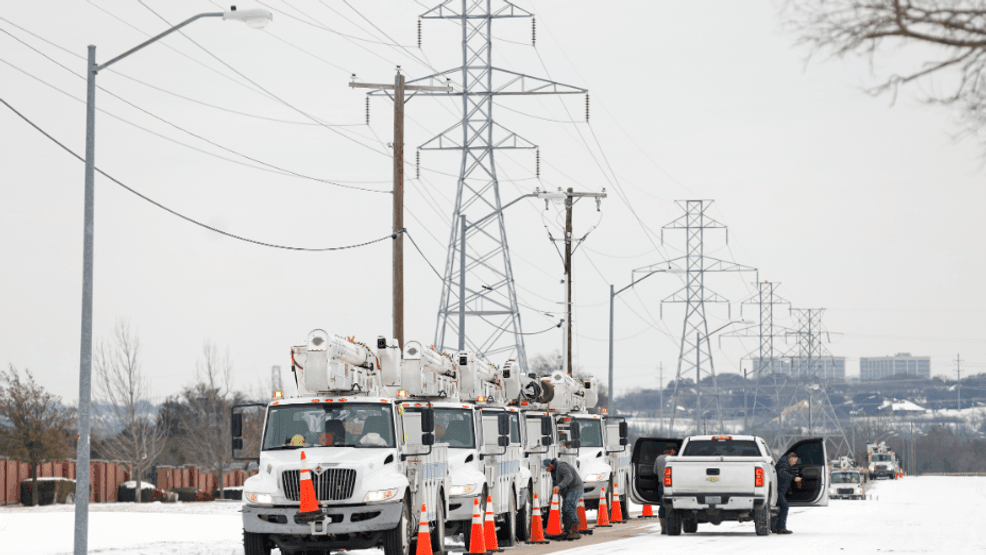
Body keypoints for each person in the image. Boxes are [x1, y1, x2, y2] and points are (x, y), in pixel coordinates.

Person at [542, 458, 584, 540]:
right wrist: (551, 498)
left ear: (550, 465)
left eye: (547, 468)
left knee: (569, 505)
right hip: (568, 491)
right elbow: (555, 486)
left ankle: (575, 531)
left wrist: (559, 486)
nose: (546, 470)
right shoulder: (553, 472)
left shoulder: (561, 466)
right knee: (565, 508)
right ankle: (567, 530)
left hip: (575, 488)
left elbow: (569, 477)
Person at [774, 452, 802, 534]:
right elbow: (782, 473)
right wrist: (793, 478)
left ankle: (777, 527)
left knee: (781, 507)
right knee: (784, 506)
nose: (795, 463)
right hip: (778, 491)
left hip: (780, 491)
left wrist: (794, 475)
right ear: (791, 459)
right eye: (795, 461)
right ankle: (781, 528)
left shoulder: (785, 463)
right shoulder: (784, 463)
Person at [653, 448, 677, 534]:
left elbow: (654, 471)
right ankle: (672, 525)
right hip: (673, 486)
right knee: (673, 506)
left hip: (661, 485)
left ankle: (663, 528)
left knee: (662, 505)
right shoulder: (673, 459)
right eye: (674, 451)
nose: (675, 453)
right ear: (671, 451)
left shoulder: (658, 458)